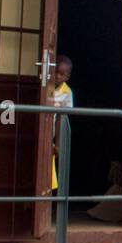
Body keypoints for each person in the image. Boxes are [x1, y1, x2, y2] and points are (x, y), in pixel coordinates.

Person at [49, 55, 74, 192]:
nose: (57, 76)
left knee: (48, 171)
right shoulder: (44, 85)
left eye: (61, 74)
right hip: (42, 131)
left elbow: (61, 118)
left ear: (67, 77)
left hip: (51, 135)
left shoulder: (67, 93)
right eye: (55, 72)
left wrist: (58, 144)